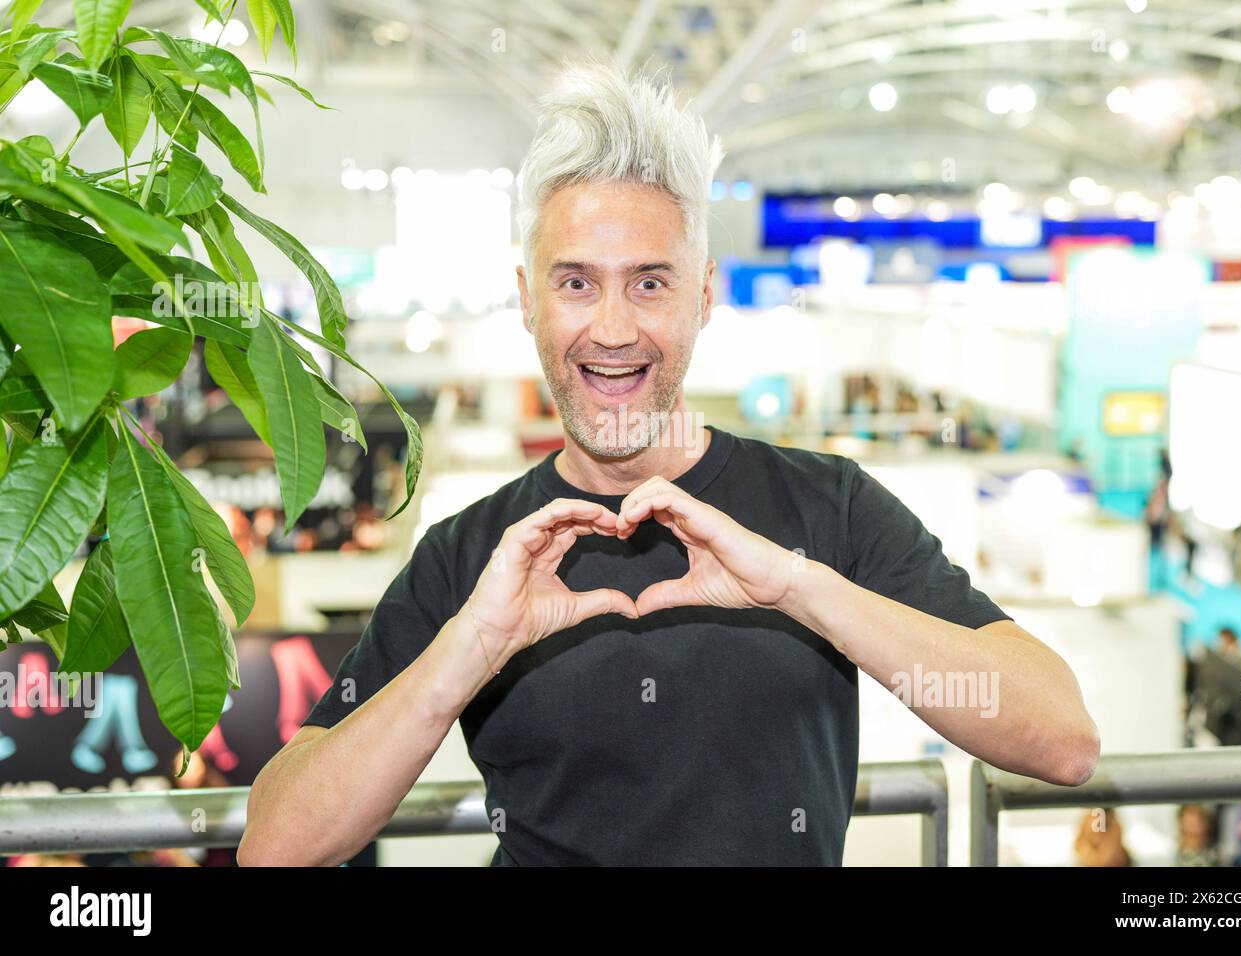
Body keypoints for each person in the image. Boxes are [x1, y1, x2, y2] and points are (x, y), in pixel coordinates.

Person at [239, 61, 1099, 867]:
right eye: (576, 283)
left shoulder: (828, 506)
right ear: (527, 299)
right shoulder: (471, 555)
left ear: (705, 296)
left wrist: (800, 587)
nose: (612, 328)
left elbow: (1060, 738)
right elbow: (277, 844)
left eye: (649, 283)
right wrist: (471, 648)